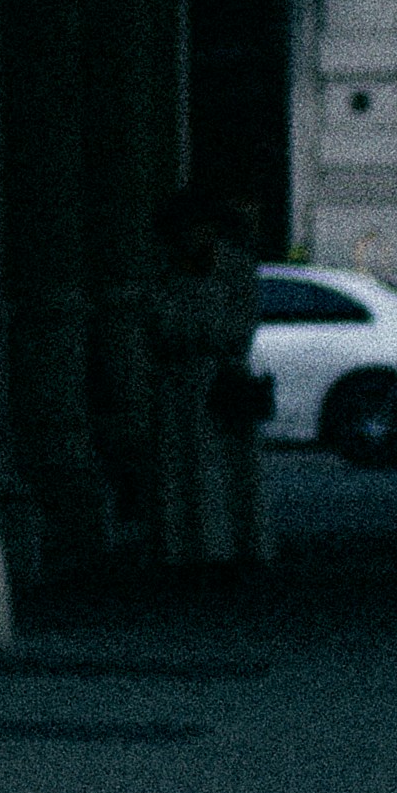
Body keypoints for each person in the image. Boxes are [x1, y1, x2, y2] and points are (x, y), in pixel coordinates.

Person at [146, 191, 272, 578]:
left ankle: (236, 547)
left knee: (230, 467)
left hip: (222, 380)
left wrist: (198, 333)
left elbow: (239, 329)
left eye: (198, 228)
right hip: (181, 385)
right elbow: (158, 326)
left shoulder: (233, 268)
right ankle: (188, 550)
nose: (191, 236)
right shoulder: (166, 269)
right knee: (183, 466)